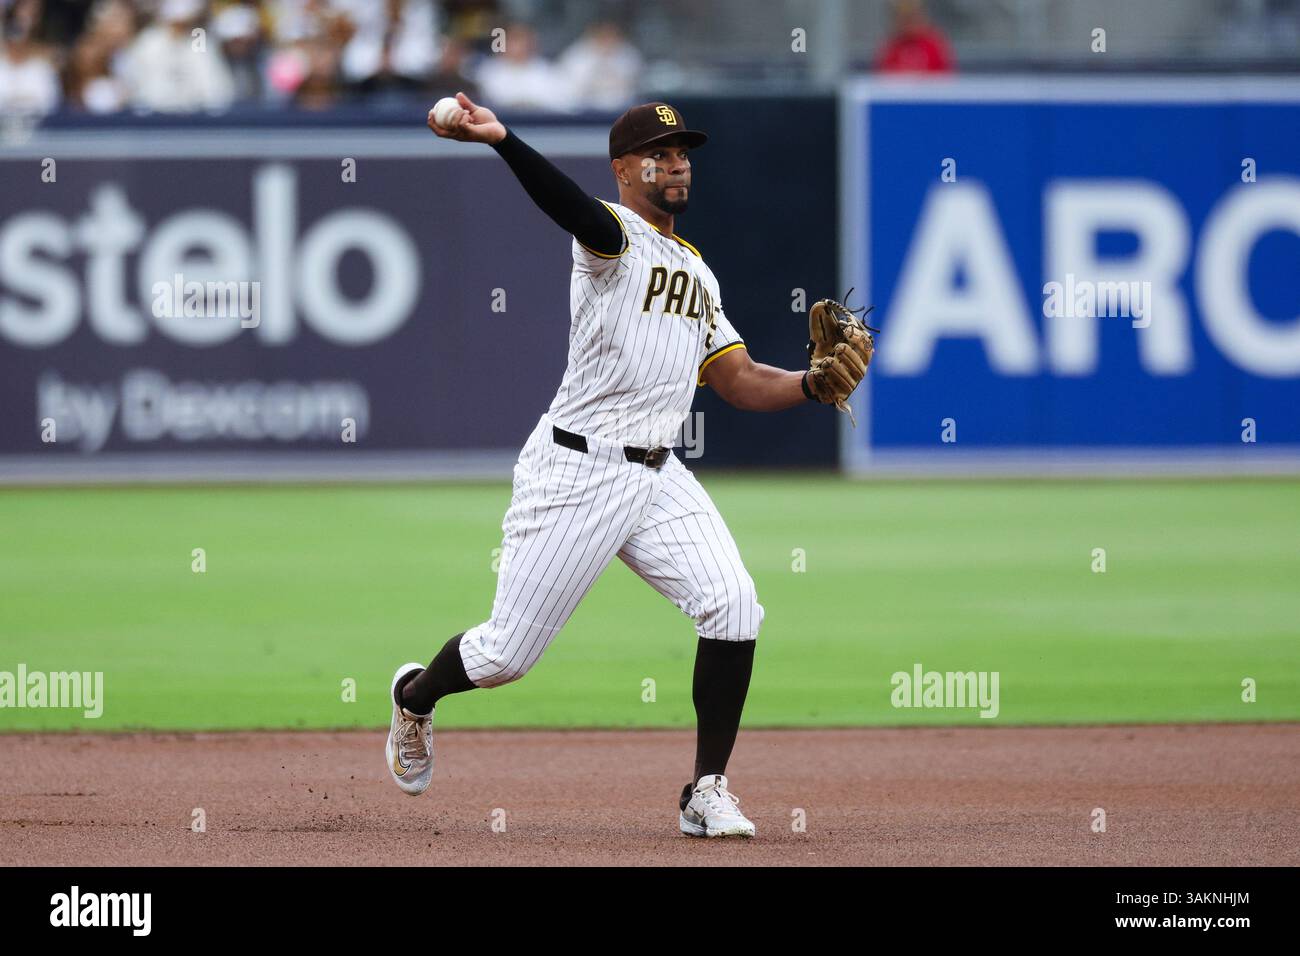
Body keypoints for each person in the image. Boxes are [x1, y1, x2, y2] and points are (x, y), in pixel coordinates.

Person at [384, 93, 867, 839]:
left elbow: (737, 381)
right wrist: (502, 139)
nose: (677, 165)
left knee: (734, 604)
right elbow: (568, 205)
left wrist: (808, 384)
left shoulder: (698, 275)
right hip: (575, 469)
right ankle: (416, 697)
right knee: (506, 655)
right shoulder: (611, 239)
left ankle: (707, 790)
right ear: (624, 169)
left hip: (657, 474)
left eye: (683, 155)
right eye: (660, 154)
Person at [875, 0, 954, 74]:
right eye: (904, 19)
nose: (908, 23)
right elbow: (882, 76)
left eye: (912, 17)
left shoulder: (934, 45)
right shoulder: (891, 47)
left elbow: (945, 76)